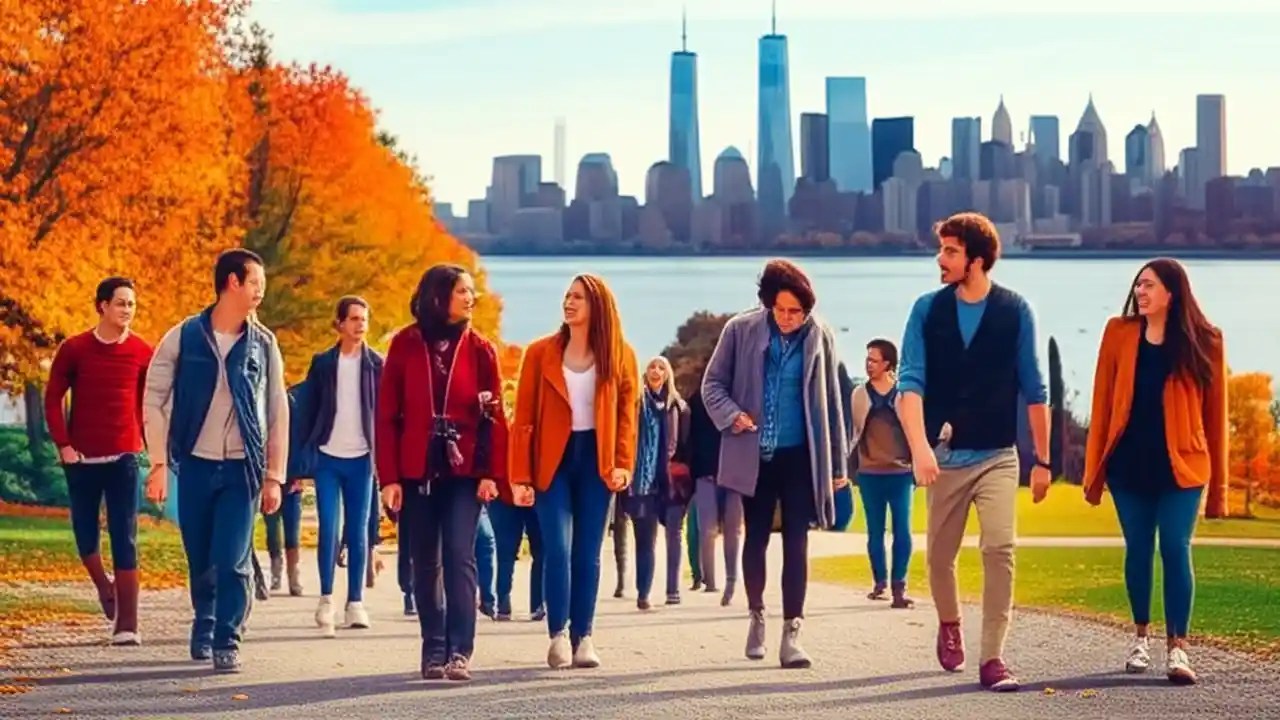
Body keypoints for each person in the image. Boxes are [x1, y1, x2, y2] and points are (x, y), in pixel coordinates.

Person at [897, 212, 1050, 693]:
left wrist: (1043, 461)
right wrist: (921, 449)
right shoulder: (926, 310)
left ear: (976, 260)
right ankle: (949, 623)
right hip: (944, 460)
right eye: (941, 249)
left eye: (950, 251)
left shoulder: (1015, 310)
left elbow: (1035, 388)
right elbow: (910, 385)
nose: (939, 259)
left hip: (998, 456)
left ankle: (993, 658)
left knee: (1000, 548)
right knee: (940, 559)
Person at [1082, 258, 1227, 685]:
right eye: (1138, 285)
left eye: (1149, 285)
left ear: (1172, 292)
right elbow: (1102, 403)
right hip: (1129, 465)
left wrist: (1218, 491)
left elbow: (1216, 420)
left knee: (1176, 548)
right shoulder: (1118, 333)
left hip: (1183, 466)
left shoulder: (1207, 341)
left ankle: (1178, 648)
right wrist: (1095, 472)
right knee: (1139, 549)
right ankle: (1141, 637)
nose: (1140, 292)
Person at [143, 249, 288, 673]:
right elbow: (153, 396)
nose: (262, 290)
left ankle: (227, 636)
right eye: (256, 282)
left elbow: (278, 407)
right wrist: (157, 461)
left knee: (233, 556)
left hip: (243, 468)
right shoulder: (185, 336)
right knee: (200, 554)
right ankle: (203, 622)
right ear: (232, 282)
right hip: (195, 464)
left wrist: (274, 475)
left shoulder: (263, 343)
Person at [702, 259, 849, 669]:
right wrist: (732, 415)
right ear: (768, 304)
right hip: (756, 455)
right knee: (758, 538)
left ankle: (792, 633)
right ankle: (757, 617)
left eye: (796, 312)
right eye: (781, 310)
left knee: (797, 541)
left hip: (801, 456)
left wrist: (838, 463)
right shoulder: (740, 330)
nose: (788, 319)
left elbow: (833, 400)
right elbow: (712, 385)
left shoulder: (820, 336)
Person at [377, 264, 507, 683]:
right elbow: (386, 417)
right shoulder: (405, 345)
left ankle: (459, 651)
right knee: (424, 562)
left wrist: (491, 473)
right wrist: (390, 478)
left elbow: (496, 417)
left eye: (472, 291)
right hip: (416, 470)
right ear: (438, 297)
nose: (471, 298)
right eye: (463, 291)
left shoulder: (481, 350)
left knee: (459, 554)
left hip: (465, 470)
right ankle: (433, 650)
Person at [510, 273, 638, 670]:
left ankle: (585, 636)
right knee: (558, 550)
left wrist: (622, 465)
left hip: (596, 462)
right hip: (553, 462)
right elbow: (524, 417)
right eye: (567, 296)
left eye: (578, 297)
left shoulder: (619, 355)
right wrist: (520, 476)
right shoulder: (539, 353)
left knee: (588, 553)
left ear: (597, 305)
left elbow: (627, 417)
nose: (569, 302)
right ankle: (558, 634)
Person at [44, 277, 154, 646]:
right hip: (81, 459)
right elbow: (52, 398)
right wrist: (64, 445)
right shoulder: (74, 349)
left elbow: (147, 404)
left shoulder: (142, 352)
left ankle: (128, 624)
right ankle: (105, 588)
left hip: (124, 457)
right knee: (85, 536)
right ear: (102, 306)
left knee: (126, 536)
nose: (127, 310)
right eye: (121, 303)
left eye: (132, 304)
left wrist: (148, 446)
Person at [294, 296, 384, 637]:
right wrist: (298, 465)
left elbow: (386, 417)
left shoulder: (377, 364)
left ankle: (356, 602)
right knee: (330, 527)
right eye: (354, 319)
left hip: (362, 460)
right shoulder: (322, 364)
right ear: (340, 324)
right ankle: (327, 599)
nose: (361, 324)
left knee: (359, 532)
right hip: (328, 458)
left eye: (365, 318)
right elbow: (306, 412)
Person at [850, 338, 915, 609]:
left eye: (874, 360)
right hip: (870, 473)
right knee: (875, 531)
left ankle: (899, 587)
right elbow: (854, 433)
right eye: (867, 359)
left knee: (903, 529)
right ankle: (880, 583)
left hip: (900, 473)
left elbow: (914, 430)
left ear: (888, 363)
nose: (869, 364)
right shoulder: (859, 394)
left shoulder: (902, 395)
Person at [623, 356, 692, 609]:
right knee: (644, 539)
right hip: (639, 481)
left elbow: (683, 445)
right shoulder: (635, 404)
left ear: (668, 374)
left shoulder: (677, 408)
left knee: (670, 535)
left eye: (662, 366)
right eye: (652, 366)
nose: (656, 370)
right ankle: (641, 591)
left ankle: (663, 591)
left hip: (666, 483)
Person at [688, 372, 739, 606]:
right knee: (707, 529)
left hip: (734, 475)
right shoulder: (697, 402)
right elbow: (690, 440)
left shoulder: (739, 397)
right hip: (706, 474)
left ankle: (731, 581)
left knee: (733, 530)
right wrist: (696, 470)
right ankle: (710, 580)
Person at [490, 466, 545, 622]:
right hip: (522, 488)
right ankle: (535, 604)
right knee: (511, 551)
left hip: (513, 487)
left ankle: (505, 603)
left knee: (507, 552)